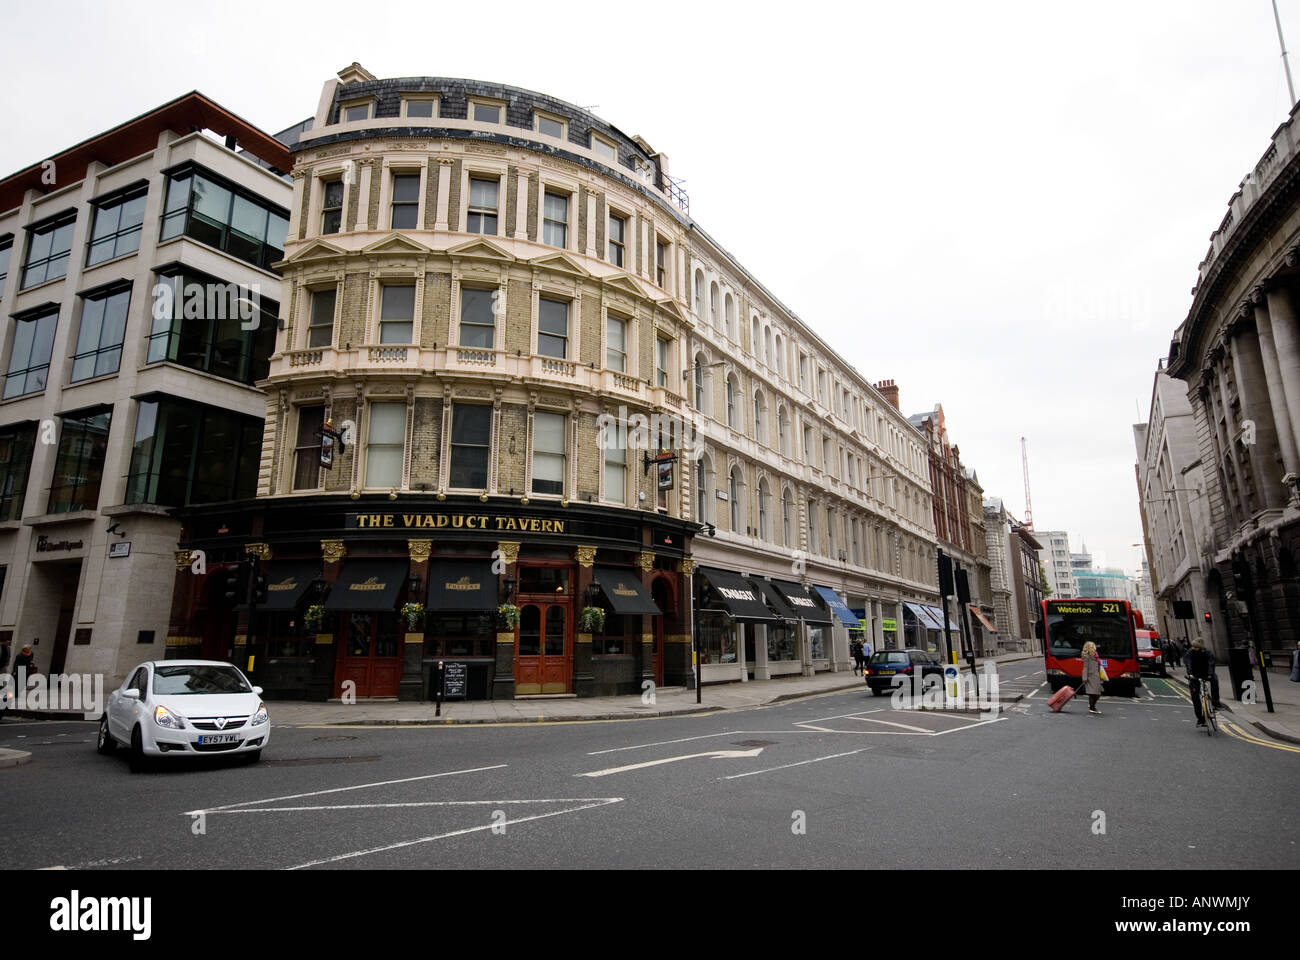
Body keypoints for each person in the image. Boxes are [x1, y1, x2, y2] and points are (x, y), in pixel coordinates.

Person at [1185, 638, 1220, 726]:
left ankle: (1215, 702)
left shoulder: (1207, 653)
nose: (1193, 648)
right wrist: (1189, 673)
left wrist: (1210, 674)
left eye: (1195, 647)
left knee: (1215, 679)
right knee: (1195, 696)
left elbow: (1211, 663)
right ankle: (1200, 718)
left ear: (1200, 647)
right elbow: (1188, 662)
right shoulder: (1189, 653)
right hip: (1194, 676)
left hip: (1206, 674)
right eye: (1193, 646)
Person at [1080, 640, 1103, 715]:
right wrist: (1084, 678)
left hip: (1096, 677)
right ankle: (1092, 708)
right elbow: (1085, 668)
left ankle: (1092, 706)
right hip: (1090, 677)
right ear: (1090, 648)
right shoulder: (1087, 657)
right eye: (1093, 646)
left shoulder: (1096, 656)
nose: (1095, 647)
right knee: (1093, 694)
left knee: (1098, 693)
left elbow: (1099, 667)